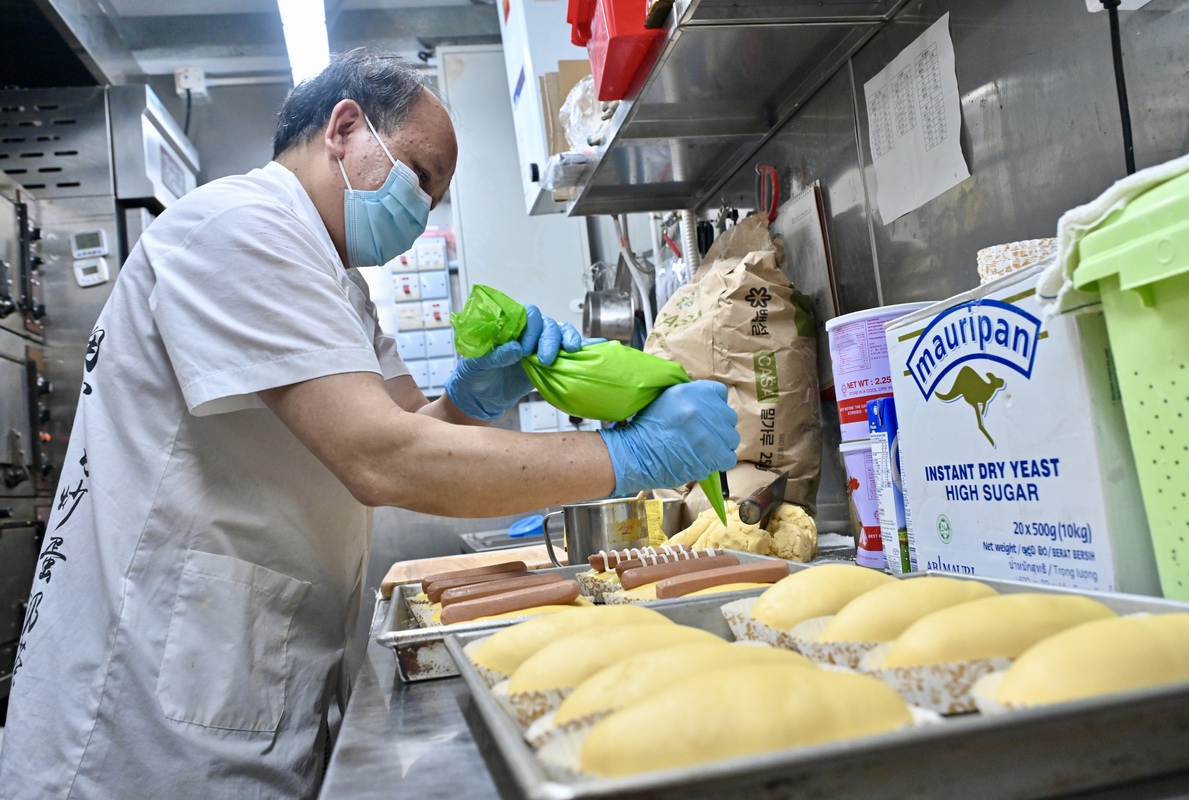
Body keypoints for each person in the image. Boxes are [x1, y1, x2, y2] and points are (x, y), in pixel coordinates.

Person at [0, 50, 738, 799]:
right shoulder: (239, 227)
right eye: (420, 175)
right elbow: (384, 461)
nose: (422, 212)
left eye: (437, 196)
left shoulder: (338, 280)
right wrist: (632, 454)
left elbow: (410, 426)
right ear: (345, 128)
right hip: (143, 726)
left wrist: (474, 399)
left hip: (234, 674)